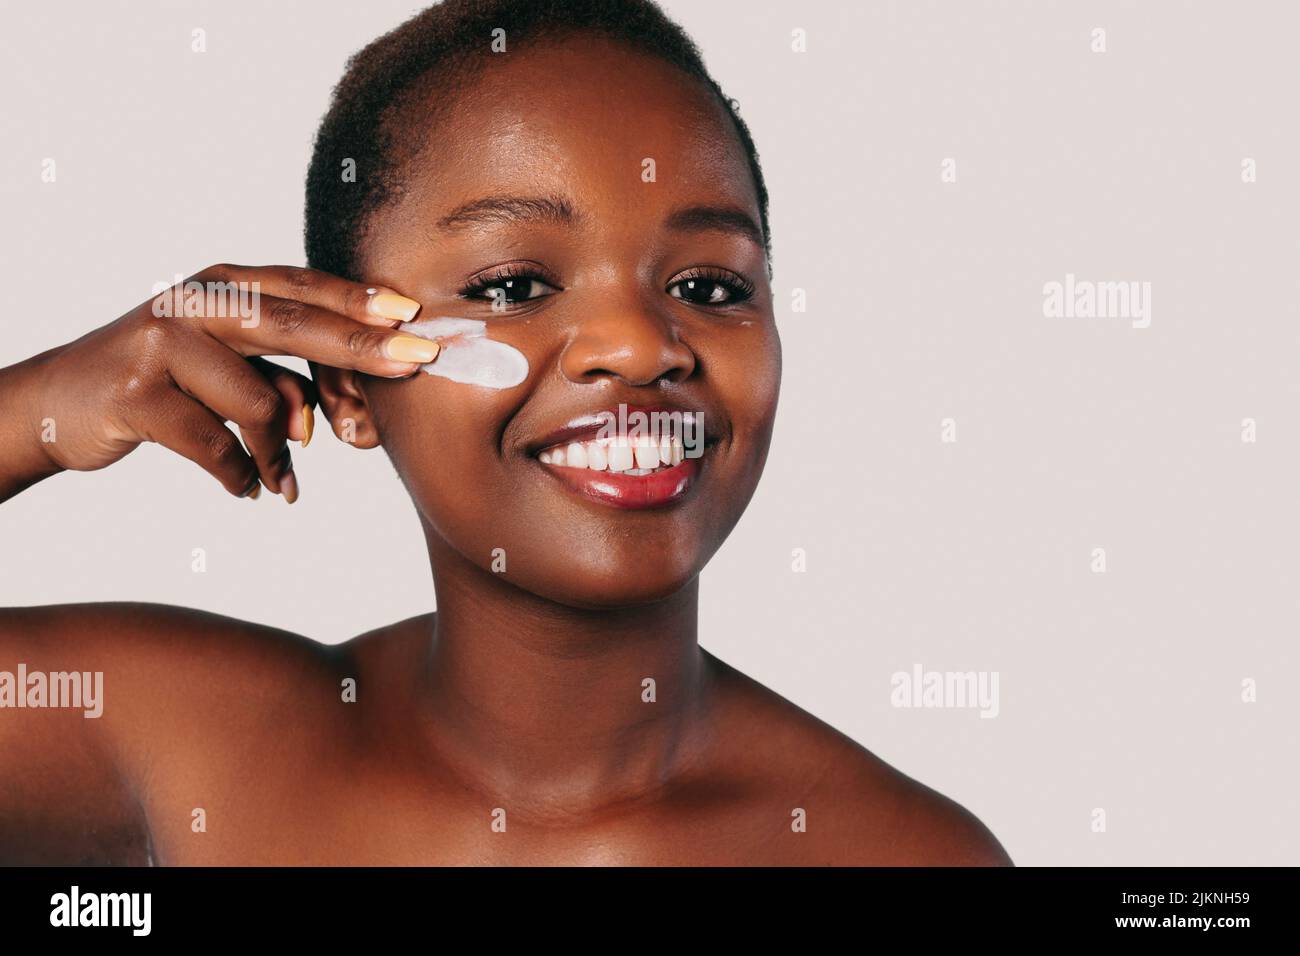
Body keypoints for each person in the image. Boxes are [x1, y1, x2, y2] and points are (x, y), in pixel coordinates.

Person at [0, 0, 1011, 865]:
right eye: (512, 285)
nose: (635, 344)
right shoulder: (191, 743)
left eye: (707, 285)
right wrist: (37, 408)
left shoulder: (897, 851)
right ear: (350, 384)